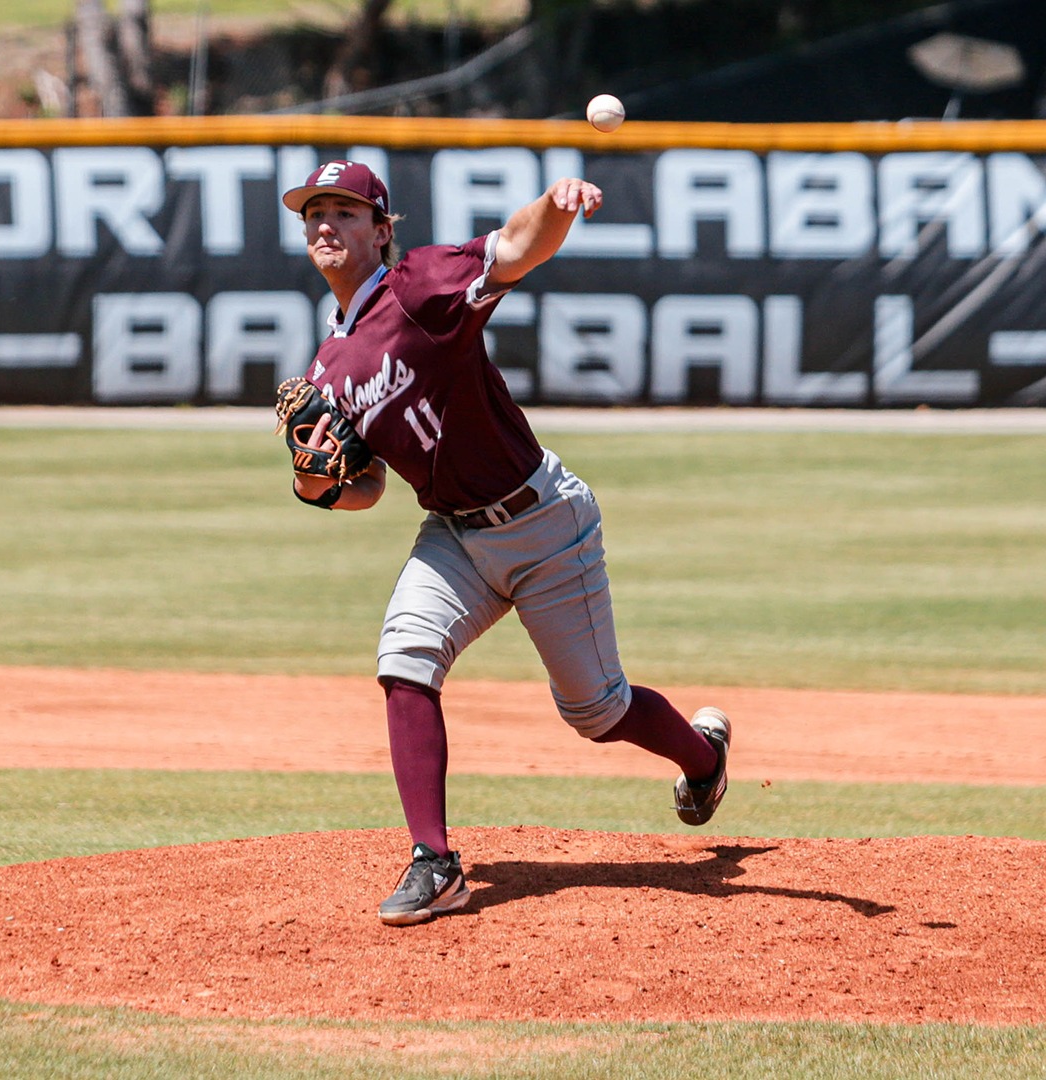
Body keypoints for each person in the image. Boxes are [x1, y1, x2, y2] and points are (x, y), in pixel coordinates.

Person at [277, 160, 731, 926]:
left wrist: (556, 204)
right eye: (315, 213)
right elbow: (369, 487)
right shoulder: (327, 366)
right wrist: (313, 484)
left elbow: (512, 248)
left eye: (347, 212)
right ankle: (435, 862)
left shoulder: (416, 287)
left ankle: (704, 759)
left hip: (545, 522)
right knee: (404, 659)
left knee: (597, 712)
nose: (327, 223)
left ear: (382, 232)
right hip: (455, 533)